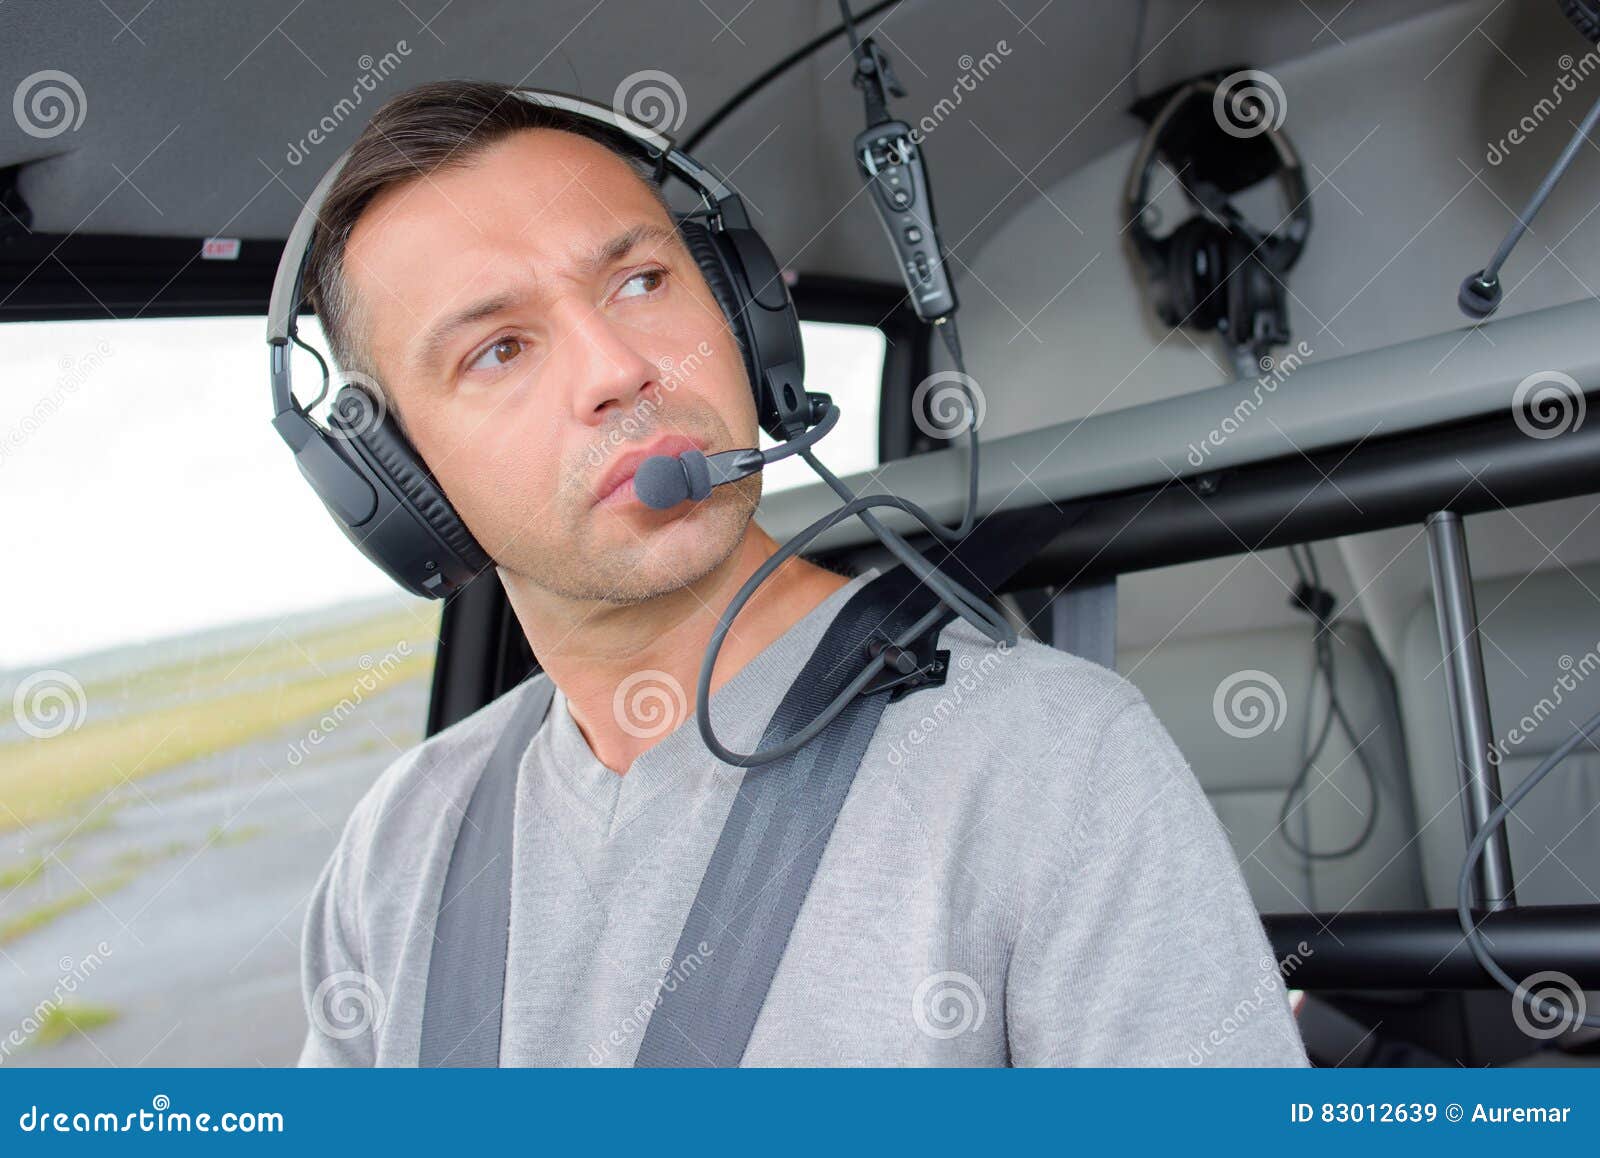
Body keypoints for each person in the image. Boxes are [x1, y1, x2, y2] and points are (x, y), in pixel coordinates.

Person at [294, 79, 1308, 1067]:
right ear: (395, 479)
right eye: (500, 349)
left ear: (745, 315)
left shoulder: (1048, 761)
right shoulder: (400, 848)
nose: (615, 370)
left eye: (641, 282)